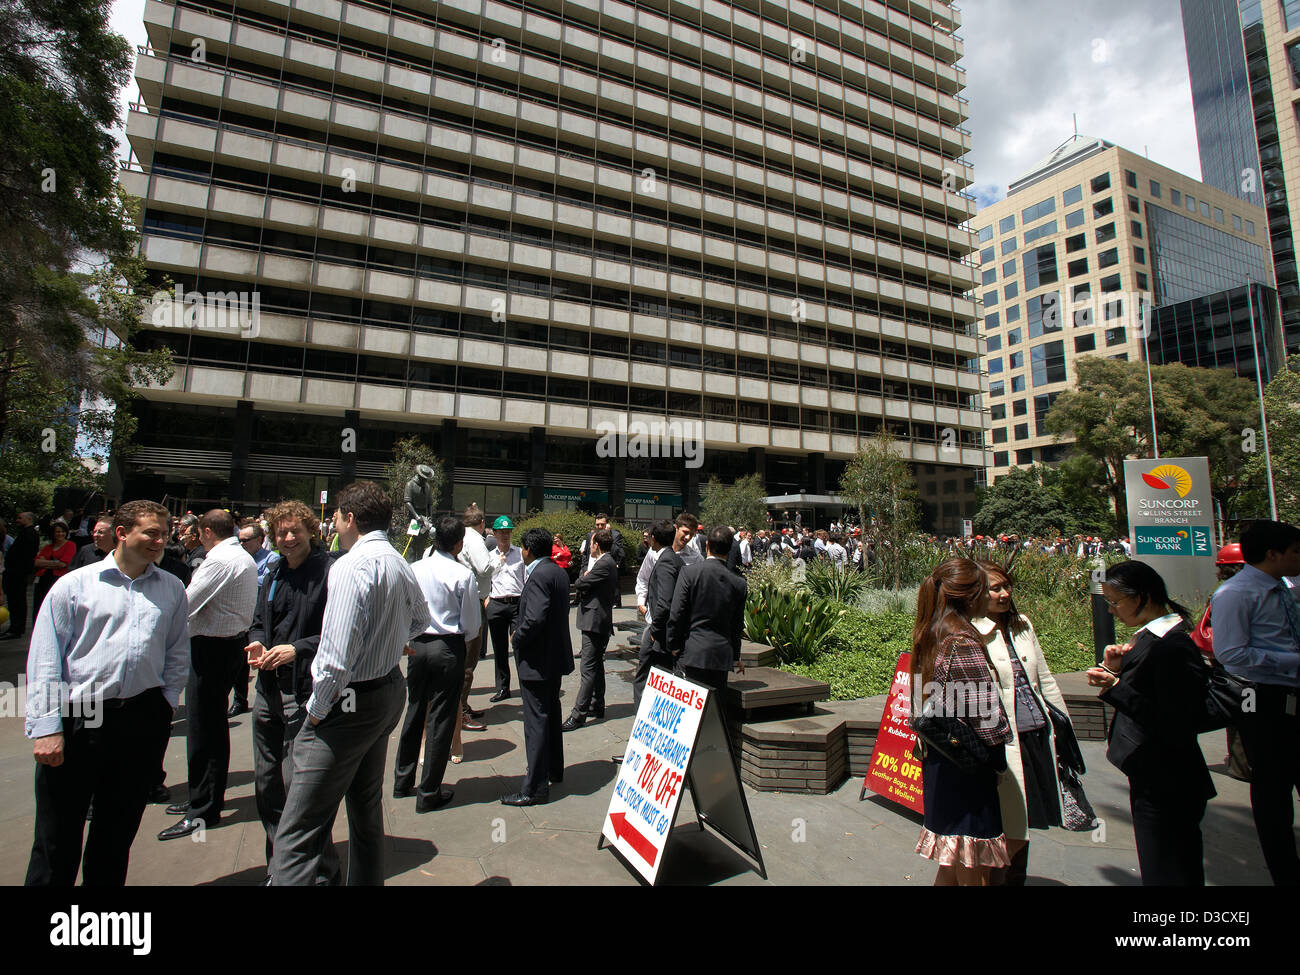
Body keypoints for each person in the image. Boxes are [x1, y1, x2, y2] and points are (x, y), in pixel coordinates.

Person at [271, 481, 433, 885]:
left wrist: (317, 710)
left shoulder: (349, 566)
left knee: (297, 831)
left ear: (348, 518)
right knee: (365, 807)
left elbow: (335, 658)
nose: (335, 527)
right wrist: (392, 642)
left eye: (338, 518)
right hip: (386, 692)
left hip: (348, 702)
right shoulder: (398, 561)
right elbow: (421, 620)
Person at [24, 501, 189, 885]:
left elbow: (177, 651)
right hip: (81, 718)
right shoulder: (75, 586)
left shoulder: (171, 589)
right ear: (121, 533)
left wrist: (165, 705)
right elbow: (46, 659)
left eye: (164, 533)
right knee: (57, 837)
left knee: (116, 834)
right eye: (151, 532)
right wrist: (47, 727)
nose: (160, 540)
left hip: (140, 721)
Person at [1087, 561, 1214, 886]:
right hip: (1154, 775)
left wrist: (1116, 687)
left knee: (1169, 869)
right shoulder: (1149, 639)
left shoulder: (1173, 646)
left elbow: (1175, 720)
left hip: (1169, 779)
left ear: (1141, 597)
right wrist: (1117, 670)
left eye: (1115, 602)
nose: (1112, 611)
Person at [245, 501, 334, 883]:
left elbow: (339, 633)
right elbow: (257, 620)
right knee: (267, 785)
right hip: (268, 690)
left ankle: (315, 871)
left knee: (298, 790)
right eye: (281, 532)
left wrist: (298, 648)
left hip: (305, 692)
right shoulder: (274, 570)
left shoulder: (331, 571)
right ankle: (278, 868)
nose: (288, 538)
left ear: (311, 530)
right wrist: (256, 641)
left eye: (295, 530)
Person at [157, 509, 259, 841]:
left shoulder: (218, 561)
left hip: (211, 649)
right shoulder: (239, 556)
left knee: (203, 731)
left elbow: (185, 604)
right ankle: (205, 797)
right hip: (226, 646)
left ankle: (202, 808)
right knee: (211, 729)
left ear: (204, 532)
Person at [911, 559, 1012, 886]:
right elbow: (986, 715)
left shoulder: (931, 630)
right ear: (971, 597)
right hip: (966, 764)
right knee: (971, 863)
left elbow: (918, 697)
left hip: (941, 758)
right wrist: (999, 760)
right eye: (987, 590)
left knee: (952, 858)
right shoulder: (963, 641)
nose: (994, 597)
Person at [1210, 519, 1300, 885]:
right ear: (1272, 555)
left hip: (1293, 692)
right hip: (1262, 698)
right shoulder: (1234, 594)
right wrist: (1293, 662)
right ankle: (1285, 870)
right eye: (1296, 552)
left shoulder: (1288, 587)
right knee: (1273, 786)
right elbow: (1231, 653)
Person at [973, 560, 1068, 885]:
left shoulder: (1022, 624)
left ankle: (1015, 879)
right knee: (1008, 824)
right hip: (1003, 742)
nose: (1003, 594)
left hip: (1037, 734)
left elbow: (1045, 679)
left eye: (1006, 586)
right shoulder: (970, 633)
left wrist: (1063, 727)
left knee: (1025, 823)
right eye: (994, 588)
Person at [396, 516, 481, 812]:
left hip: (418, 644)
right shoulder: (462, 574)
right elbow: (471, 623)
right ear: (458, 544)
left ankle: (402, 780)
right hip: (448, 645)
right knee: (442, 718)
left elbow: (403, 607)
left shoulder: (414, 568)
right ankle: (429, 791)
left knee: (415, 709)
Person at [502, 527, 573, 806]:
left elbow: (535, 617)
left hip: (538, 660)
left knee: (537, 722)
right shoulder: (557, 571)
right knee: (550, 715)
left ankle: (534, 788)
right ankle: (554, 769)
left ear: (528, 549)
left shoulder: (540, 574)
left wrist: (517, 635)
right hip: (553, 658)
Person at [1190, 543, 1251, 782]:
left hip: (1226, 665)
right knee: (1247, 713)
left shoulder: (1222, 590)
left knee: (1239, 713)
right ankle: (1245, 765)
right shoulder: (1237, 593)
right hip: (1242, 669)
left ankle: (1241, 763)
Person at [667, 526, 747, 694]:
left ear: (707, 545)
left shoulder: (689, 573)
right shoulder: (739, 583)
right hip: (721, 656)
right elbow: (737, 624)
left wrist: (673, 644)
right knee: (715, 710)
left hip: (692, 652)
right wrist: (735, 655)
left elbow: (677, 613)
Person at [564, 528, 618, 730]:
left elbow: (580, 582)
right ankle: (597, 703)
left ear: (596, 545)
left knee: (587, 668)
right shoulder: (605, 562)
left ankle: (579, 714)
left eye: (591, 544)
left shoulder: (604, 563)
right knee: (596, 665)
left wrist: (584, 578)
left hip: (595, 622)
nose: (588, 547)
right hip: (596, 620)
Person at [231, 520, 281, 718]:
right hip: (239, 617)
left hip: (258, 620)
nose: (242, 544)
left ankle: (241, 699)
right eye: (239, 540)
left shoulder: (271, 559)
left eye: (246, 540)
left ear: (260, 540)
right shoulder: (238, 558)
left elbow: (265, 582)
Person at [483, 515, 524, 709]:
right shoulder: (489, 556)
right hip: (497, 605)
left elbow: (527, 578)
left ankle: (525, 685)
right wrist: (486, 600)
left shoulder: (520, 554)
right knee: (499, 649)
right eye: (502, 532)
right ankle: (502, 687)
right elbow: (484, 579)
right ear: (495, 533)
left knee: (519, 645)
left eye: (508, 532)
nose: (505, 535)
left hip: (516, 604)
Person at [32, 522, 77, 617]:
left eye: (63, 532)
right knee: (38, 606)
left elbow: (63, 564)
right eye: (57, 532)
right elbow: (36, 562)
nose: (60, 534)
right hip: (42, 580)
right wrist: (55, 563)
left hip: (57, 579)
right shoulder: (48, 547)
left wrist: (45, 562)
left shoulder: (70, 545)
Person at [580, 513, 625, 608]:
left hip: (604, 572)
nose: (600, 527)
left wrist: (607, 536)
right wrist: (584, 567)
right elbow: (586, 554)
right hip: (589, 571)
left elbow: (616, 551)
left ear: (607, 524)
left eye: (602, 524)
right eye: (597, 524)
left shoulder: (615, 535)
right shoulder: (590, 536)